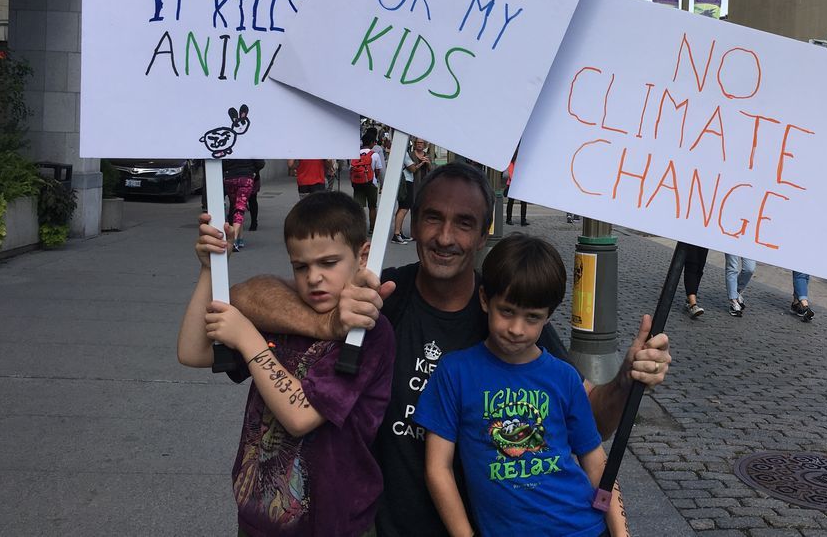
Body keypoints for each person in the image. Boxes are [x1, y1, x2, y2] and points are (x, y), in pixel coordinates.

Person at [229, 163, 670, 537]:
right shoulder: (380, 297)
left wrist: (626, 380)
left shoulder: (506, 311)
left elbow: (586, 419)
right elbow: (245, 296)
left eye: (463, 223)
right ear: (414, 221)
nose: (445, 236)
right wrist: (326, 322)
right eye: (433, 218)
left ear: (483, 234)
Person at [177, 191, 395, 537]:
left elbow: (301, 416)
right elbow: (193, 351)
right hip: (259, 516)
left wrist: (248, 338)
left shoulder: (367, 331)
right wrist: (210, 270)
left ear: (362, 256)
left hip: (333, 523)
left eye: (328, 263)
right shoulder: (286, 316)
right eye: (301, 266)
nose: (314, 278)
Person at [415, 234, 627, 537]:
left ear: (549, 316)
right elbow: (438, 468)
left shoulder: (564, 377)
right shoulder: (455, 372)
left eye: (533, 318)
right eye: (507, 311)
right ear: (486, 299)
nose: (517, 329)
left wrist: (620, 533)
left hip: (584, 528)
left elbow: (595, 462)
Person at [392, 137, 431, 244]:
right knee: (405, 208)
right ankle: (397, 234)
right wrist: (421, 164)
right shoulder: (407, 154)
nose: (419, 145)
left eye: (421, 143)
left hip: (421, 184)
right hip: (409, 183)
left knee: (408, 208)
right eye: (417, 143)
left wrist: (428, 163)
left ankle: (399, 232)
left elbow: (431, 170)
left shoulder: (426, 155)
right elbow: (413, 169)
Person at [222, 158, 260, 252]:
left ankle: (240, 238)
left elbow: (222, 163)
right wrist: (253, 170)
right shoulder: (249, 147)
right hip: (245, 178)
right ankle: (234, 240)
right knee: (240, 208)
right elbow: (260, 163)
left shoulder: (230, 146)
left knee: (235, 206)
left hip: (230, 178)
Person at [351, 129, 385, 234]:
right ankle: (372, 228)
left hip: (357, 183)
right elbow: (378, 170)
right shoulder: (374, 155)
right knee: (372, 207)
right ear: (370, 143)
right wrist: (374, 177)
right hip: (371, 183)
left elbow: (351, 169)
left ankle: (358, 228)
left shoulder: (355, 154)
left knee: (358, 206)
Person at [503, 148, 529, 227]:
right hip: (512, 184)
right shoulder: (511, 163)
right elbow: (511, 175)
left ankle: (523, 220)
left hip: (521, 185)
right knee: (511, 202)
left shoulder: (521, 163)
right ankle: (508, 219)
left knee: (524, 203)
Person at [682, 244, 709, 318]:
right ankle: (693, 305)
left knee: (699, 269)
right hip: (690, 237)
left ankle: (689, 300)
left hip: (704, 238)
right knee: (691, 266)